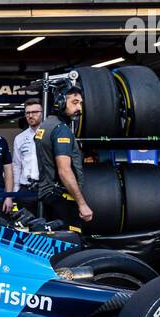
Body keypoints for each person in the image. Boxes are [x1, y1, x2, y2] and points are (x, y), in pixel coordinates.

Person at [34, 79, 93, 229]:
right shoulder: (61, 130)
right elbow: (64, 170)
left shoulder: (45, 125)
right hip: (61, 198)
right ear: (60, 102)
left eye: (80, 103)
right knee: (72, 245)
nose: (79, 107)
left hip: (48, 194)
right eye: (74, 102)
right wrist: (82, 204)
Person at [12, 97, 43, 196]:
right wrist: (16, 189)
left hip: (46, 188)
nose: (30, 115)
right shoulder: (19, 138)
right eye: (28, 113)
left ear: (42, 113)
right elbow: (16, 165)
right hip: (26, 189)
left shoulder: (51, 134)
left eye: (34, 112)